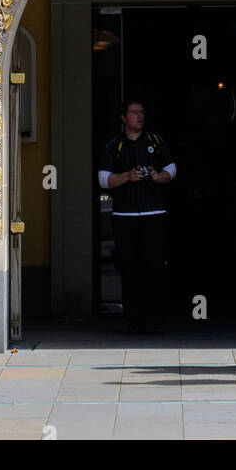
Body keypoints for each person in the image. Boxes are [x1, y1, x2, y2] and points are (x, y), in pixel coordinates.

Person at [98, 99, 175, 335]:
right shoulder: (115, 146)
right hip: (125, 215)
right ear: (123, 118)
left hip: (154, 213)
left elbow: (172, 170)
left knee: (156, 267)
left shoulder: (155, 142)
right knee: (130, 269)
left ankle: (157, 319)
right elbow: (103, 179)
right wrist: (127, 177)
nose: (139, 116)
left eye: (142, 112)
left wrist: (156, 175)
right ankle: (134, 320)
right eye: (134, 113)